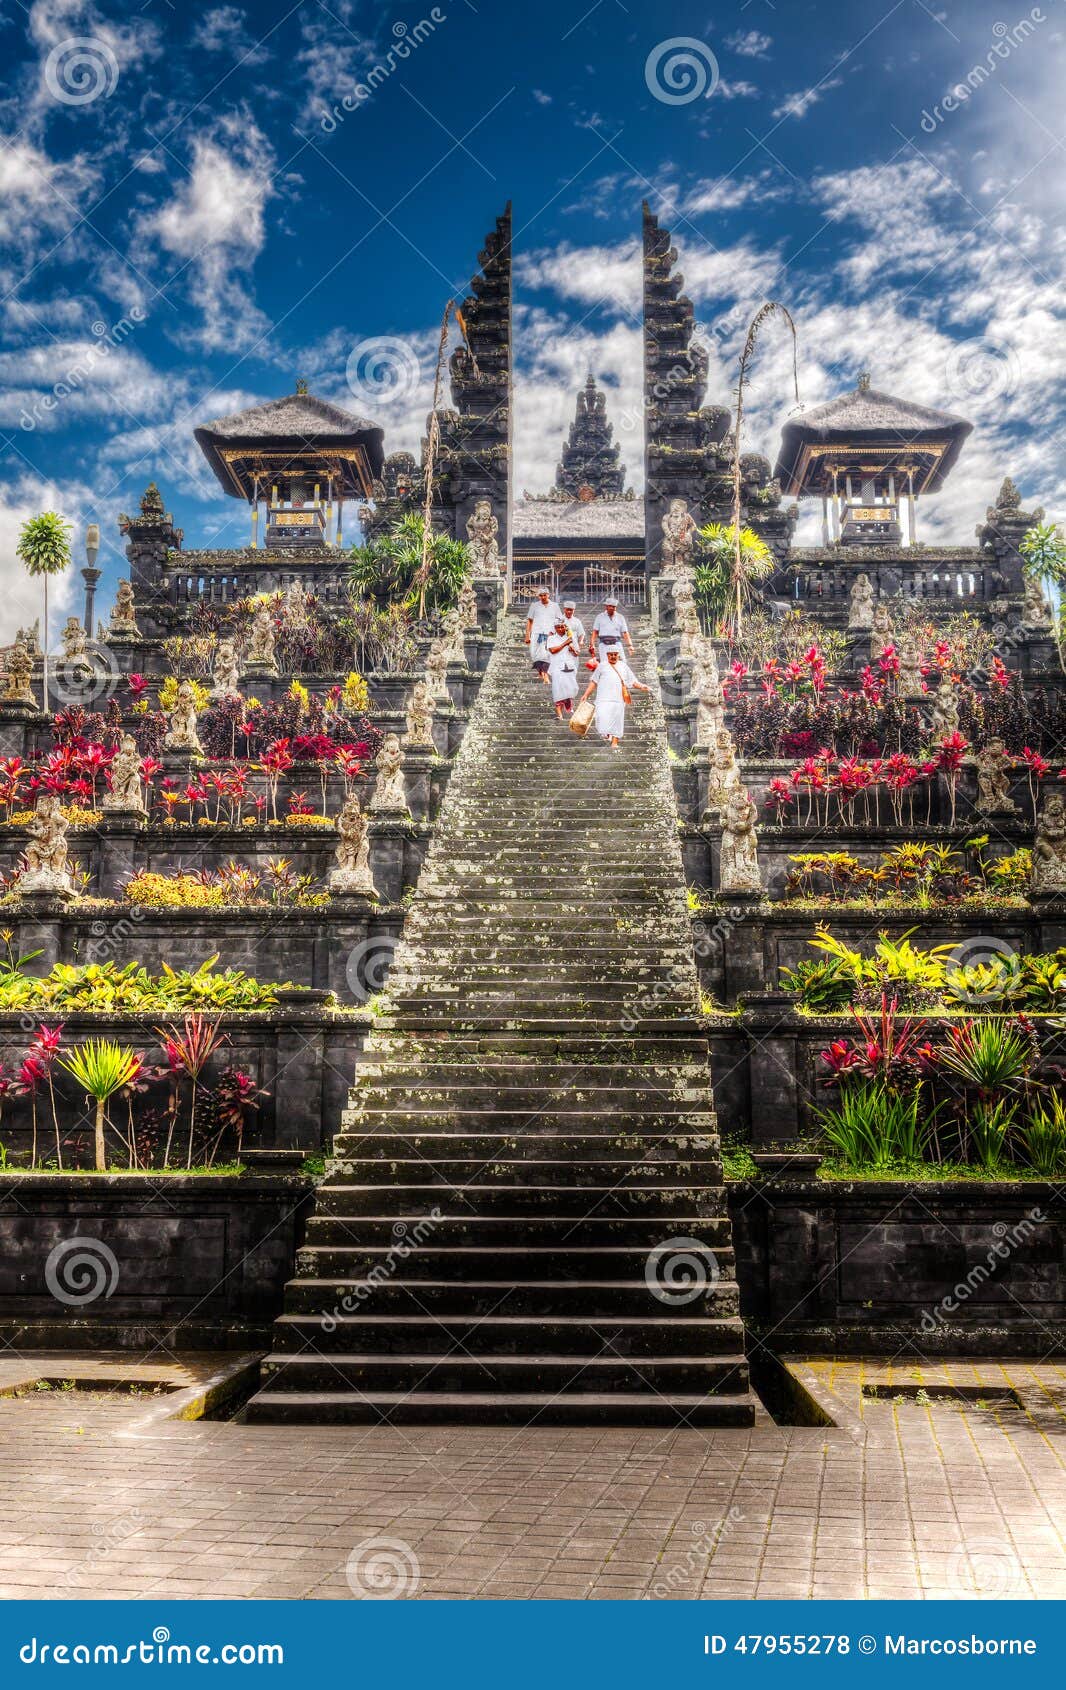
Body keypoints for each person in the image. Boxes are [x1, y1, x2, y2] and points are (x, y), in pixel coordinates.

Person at [579, 647, 648, 750]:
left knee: (617, 721)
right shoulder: (602, 666)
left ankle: (614, 742)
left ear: (618, 655)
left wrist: (642, 686)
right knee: (601, 718)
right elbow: (594, 682)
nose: (613, 656)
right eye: (611, 654)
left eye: (615, 654)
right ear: (607, 655)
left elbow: (632, 681)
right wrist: (586, 694)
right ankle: (607, 733)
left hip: (618, 699)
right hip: (603, 698)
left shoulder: (623, 666)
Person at [525, 586, 562, 683]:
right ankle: (541, 673)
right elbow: (529, 620)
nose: (542, 597)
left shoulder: (555, 606)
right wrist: (527, 635)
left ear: (548, 595)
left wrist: (555, 631)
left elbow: (559, 620)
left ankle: (546, 675)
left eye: (544, 595)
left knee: (547, 655)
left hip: (550, 634)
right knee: (535, 655)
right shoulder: (534, 606)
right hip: (536, 633)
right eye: (540, 595)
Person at [546, 619, 579, 721]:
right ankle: (559, 715)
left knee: (571, 689)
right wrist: (565, 643)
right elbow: (553, 650)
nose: (561, 629)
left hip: (569, 666)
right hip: (557, 667)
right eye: (558, 627)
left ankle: (569, 708)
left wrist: (572, 649)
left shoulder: (571, 638)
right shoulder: (551, 639)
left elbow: (576, 653)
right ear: (555, 628)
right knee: (558, 690)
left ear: (565, 627)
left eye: (562, 626)